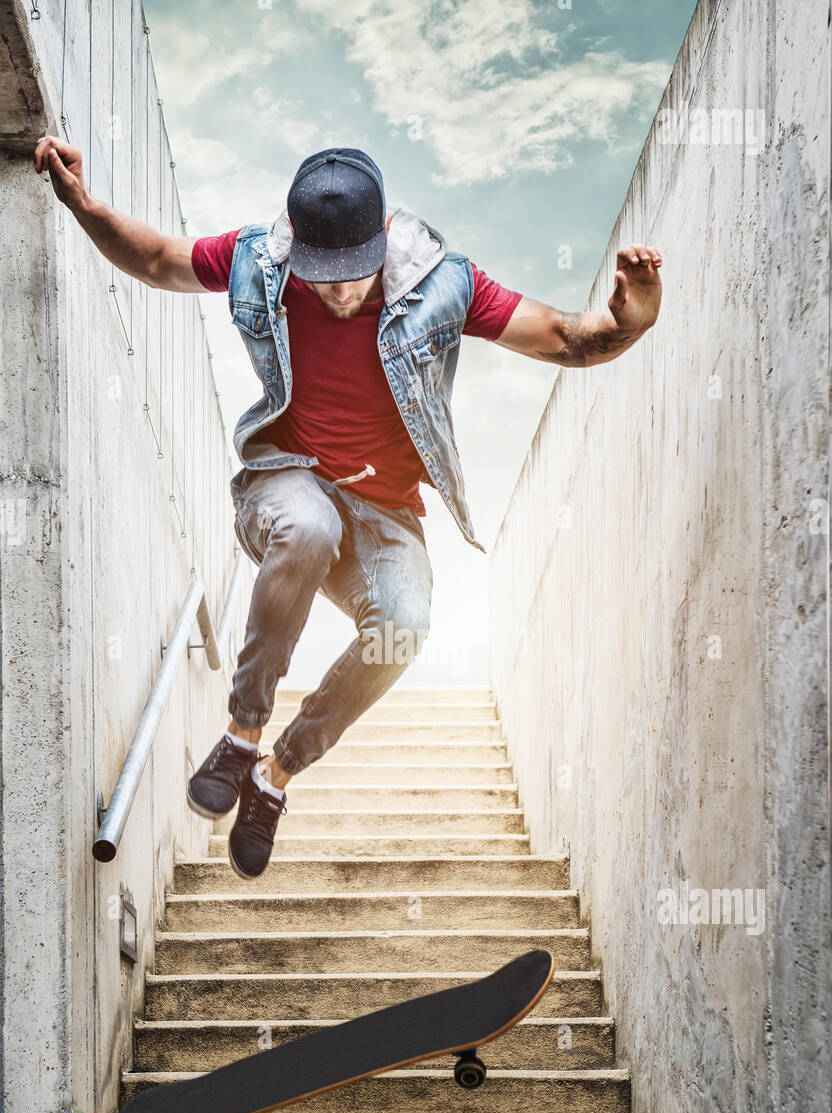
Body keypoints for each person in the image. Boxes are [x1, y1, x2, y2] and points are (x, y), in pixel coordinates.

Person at [33, 138, 662, 877]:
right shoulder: (258, 261)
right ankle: (241, 734)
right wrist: (83, 205)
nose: (338, 293)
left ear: (383, 234)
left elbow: (564, 339)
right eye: (321, 277)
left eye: (354, 276)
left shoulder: (444, 283)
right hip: (286, 480)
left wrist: (629, 321)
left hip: (385, 517)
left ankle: (274, 776)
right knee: (309, 524)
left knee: (405, 625)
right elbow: (156, 261)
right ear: (294, 242)